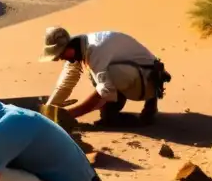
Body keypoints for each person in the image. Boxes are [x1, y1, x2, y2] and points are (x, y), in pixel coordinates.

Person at [41, 26, 169, 125]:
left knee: (108, 75)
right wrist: (48, 112)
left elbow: (105, 91)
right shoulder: (78, 48)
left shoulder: (95, 50)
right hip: (137, 74)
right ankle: (112, 110)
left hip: (149, 80)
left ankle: (148, 109)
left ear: (68, 46)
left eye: (60, 54)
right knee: (100, 82)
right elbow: (65, 83)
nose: (60, 58)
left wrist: (70, 114)